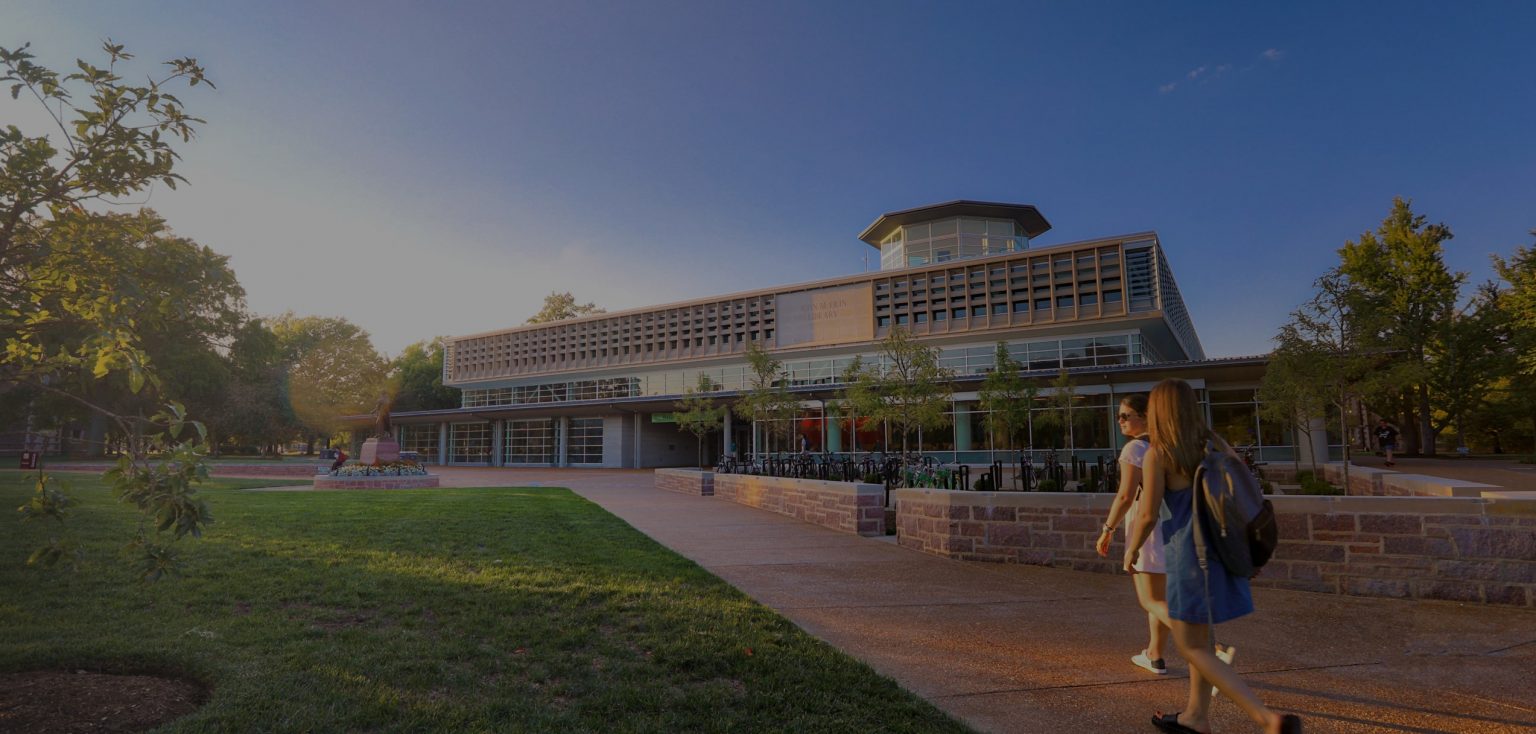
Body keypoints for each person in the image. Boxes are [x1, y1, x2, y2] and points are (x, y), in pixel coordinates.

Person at [1125, 379, 1301, 734]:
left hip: (1188, 557)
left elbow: (1147, 514)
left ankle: (1268, 719)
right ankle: (1196, 716)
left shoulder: (1159, 454)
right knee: (1201, 639)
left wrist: (1131, 549)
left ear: (1157, 411)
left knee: (1192, 646)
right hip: (1220, 551)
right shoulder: (1214, 444)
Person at [1096, 394, 1172, 675]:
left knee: (1150, 600)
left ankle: (1212, 646)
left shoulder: (1135, 449)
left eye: (1125, 415)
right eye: (1119, 416)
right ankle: (1154, 654)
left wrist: (1108, 529)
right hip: (1172, 526)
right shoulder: (1167, 446)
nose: (1120, 421)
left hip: (1147, 528)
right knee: (1159, 598)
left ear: (1144, 416)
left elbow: (1126, 496)